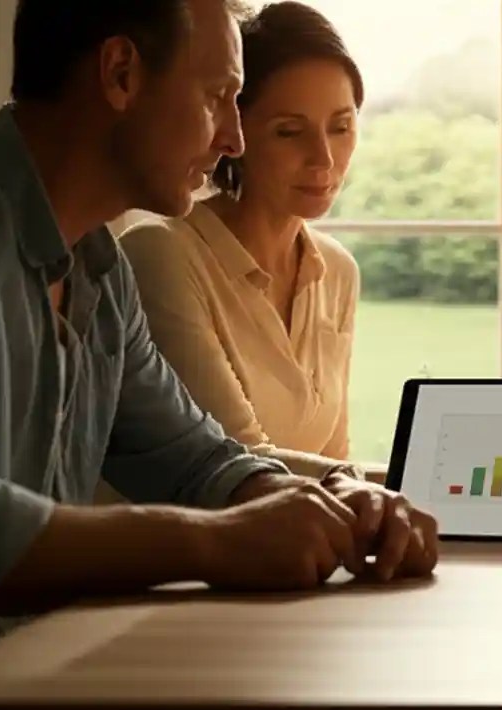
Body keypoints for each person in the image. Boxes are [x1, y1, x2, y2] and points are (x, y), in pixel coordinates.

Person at [0, 0, 437, 675]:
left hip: (27, 684)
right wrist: (211, 543)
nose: (234, 141)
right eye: (220, 96)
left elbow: (199, 462)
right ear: (121, 74)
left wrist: (337, 505)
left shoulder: (101, 273)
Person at [120, 2, 365, 480]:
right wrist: (402, 491)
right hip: (182, 548)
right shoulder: (163, 252)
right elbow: (237, 463)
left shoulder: (336, 270)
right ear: (235, 131)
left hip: (293, 546)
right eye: (289, 132)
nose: (324, 159)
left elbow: (337, 460)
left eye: (341, 126)